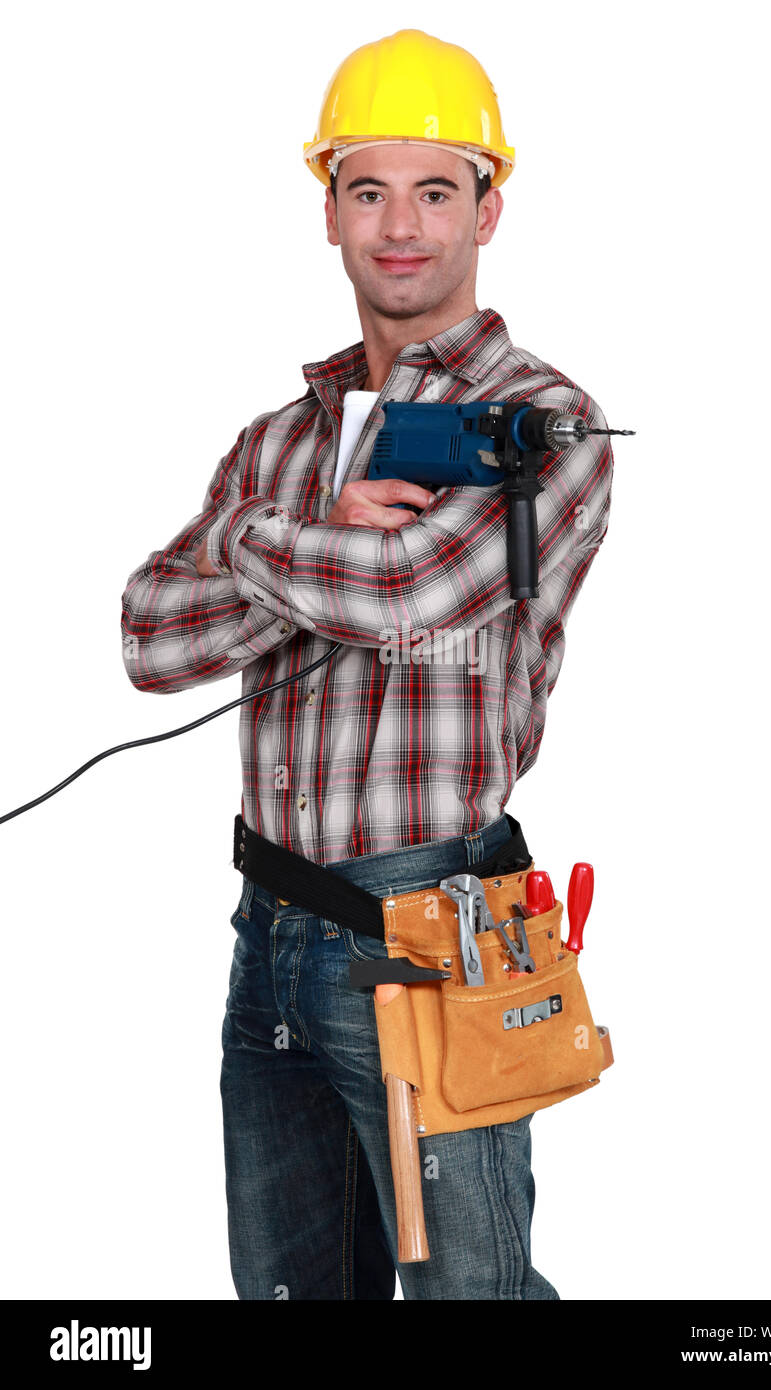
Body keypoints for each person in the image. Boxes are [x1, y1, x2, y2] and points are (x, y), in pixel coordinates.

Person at [120, 27, 615, 1300]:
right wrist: (289, 535)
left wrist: (249, 559)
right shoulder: (276, 442)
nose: (401, 226)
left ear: (488, 209)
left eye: (436, 190)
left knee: (473, 1297)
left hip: (431, 931)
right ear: (329, 212)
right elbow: (147, 633)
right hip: (268, 931)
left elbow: (407, 596)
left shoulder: (540, 427)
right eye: (368, 190)